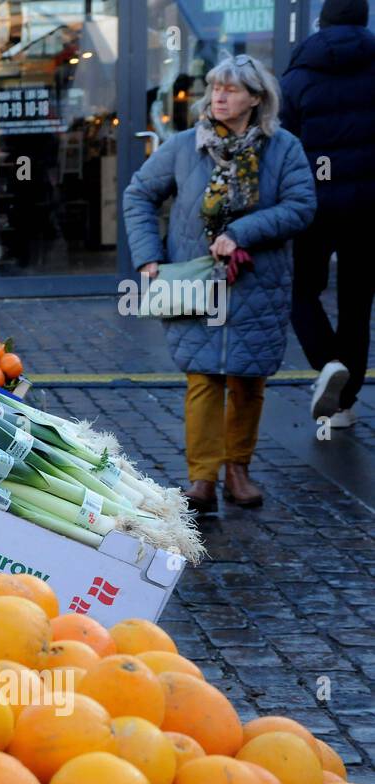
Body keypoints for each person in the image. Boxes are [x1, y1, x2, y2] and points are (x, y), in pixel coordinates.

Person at [123, 55, 316, 512]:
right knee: (203, 377)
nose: (219, 97)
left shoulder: (284, 148)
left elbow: (301, 206)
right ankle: (202, 479)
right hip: (195, 278)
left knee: (248, 379)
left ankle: (238, 470)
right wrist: (148, 256)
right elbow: (139, 194)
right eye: (215, 88)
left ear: (256, 98)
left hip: (259, 283)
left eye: (231, 89)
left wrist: (242, 232)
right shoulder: (184, 145)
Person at [280, 0, 375, 428]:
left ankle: (327, 363)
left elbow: (283, 142)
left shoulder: (299, 74)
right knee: (357, 303)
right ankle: (345, 404)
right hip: (368, 207)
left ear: (322, 22)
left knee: (300, 290)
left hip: (313, 203)